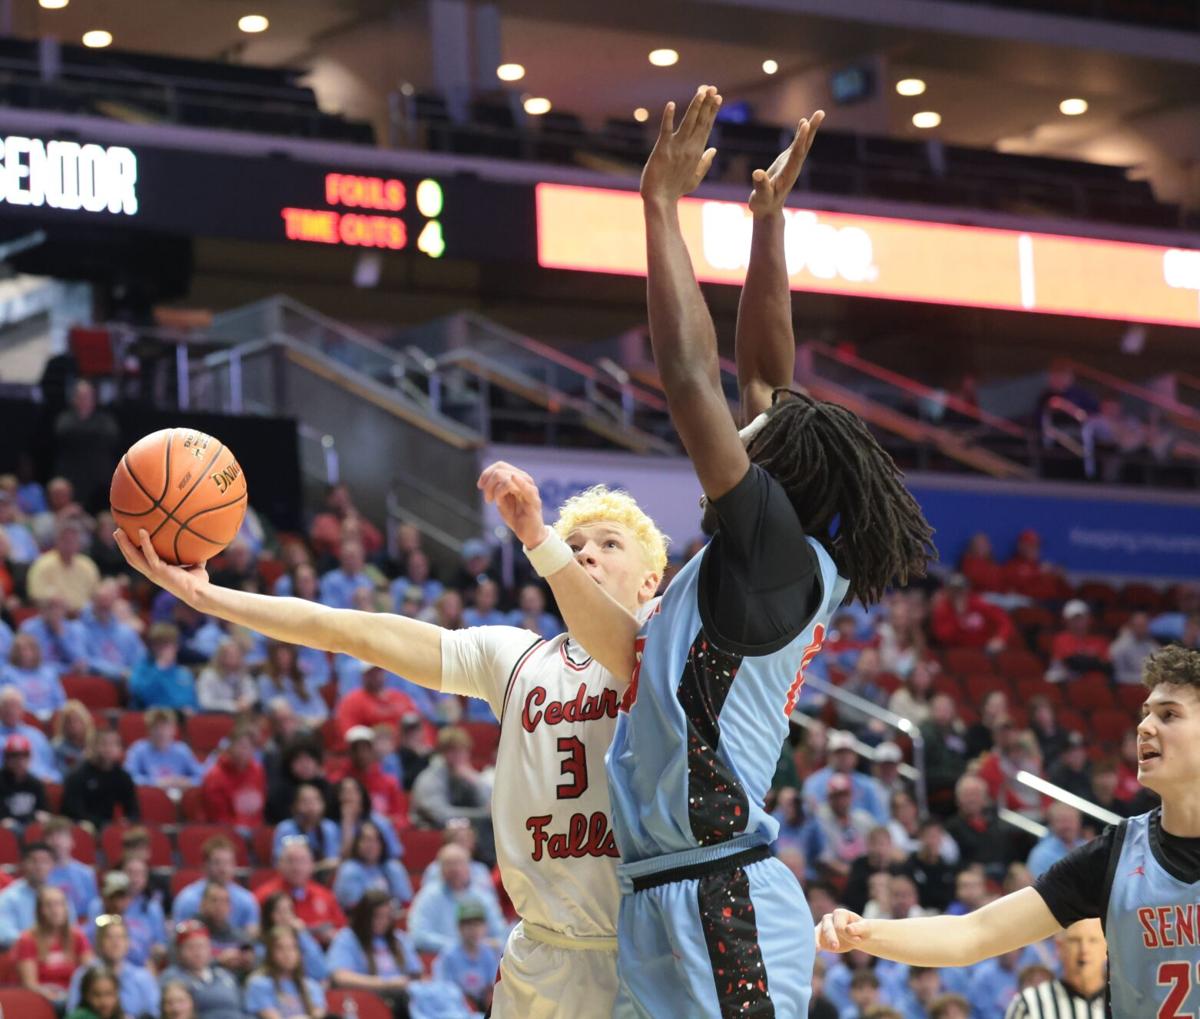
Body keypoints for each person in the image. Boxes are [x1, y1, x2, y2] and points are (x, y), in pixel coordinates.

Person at [483, 90, 934, 1018]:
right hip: (667, 889)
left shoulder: (774, 554)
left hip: (719, 890)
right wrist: (767, 226)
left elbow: (691, 379)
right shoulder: (773, 543)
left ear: (777, 474)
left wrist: (659, 208)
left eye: (754, 433)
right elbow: (768, 375)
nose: (742, 421)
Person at [115, 442, 666, 1019]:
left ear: (651, 581)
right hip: (544, 955)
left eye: (608, 544)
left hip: (643, 948)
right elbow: (350, 630)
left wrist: (540, 540)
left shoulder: (672, 649)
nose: (584, 554)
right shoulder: (516, 657)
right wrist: (207, 597)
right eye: (575, 543)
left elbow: (626, 646)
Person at [817, 645, 1200, 1019]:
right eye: (1146, 713)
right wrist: (864, 932)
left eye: (1168, 715)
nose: (1144, 726)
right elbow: (974, 934)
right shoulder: (1114, 856)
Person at [326, 891, 422, 1012]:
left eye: (387, 916)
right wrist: (386, 983)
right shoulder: (347, 938)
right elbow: (340, 977)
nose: (383, 921)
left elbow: (416, 974)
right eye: (377, 916)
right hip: (369, 999)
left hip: (404, 998)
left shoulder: (399, 939)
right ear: (364, 916)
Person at [407, 845, 507, 954]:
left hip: (481, 961)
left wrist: (478, 946)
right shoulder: (428, 896)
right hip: (441, 960)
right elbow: (419, 936)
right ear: (440, 869)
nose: (455, 869)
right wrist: (461, 947)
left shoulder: (483, 897)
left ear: (469, 867)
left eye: (459, 863)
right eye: (449, 864)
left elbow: (501, 936)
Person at [1002, 919, 1106, 1018]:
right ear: (1059, 947)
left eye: (1093, 940)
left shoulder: (1120, 1001)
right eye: (1075, 940)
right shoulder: (1028, 1005)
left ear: (1106, 948)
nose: (1084, 949)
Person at [252, 841, 344, 946]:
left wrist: (333, 936)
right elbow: (254, 932)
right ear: (279, 864)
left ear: (312, 865)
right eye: (290, 861)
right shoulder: (263, 896)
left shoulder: (326, 896)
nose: (296, 867)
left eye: (302, 861)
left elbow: (342, 930)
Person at [67, 915, 160, 1019]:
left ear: (128, 943)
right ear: (99, 942)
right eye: (109, 937)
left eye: (120, 937)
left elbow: (154, 1013)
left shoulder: (143, 977)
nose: (115, 943)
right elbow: (72, 1012)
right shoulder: (83, 975)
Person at [13, 885, 91, 1006]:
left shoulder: (77, 936)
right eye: (49, 905)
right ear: (39, 911)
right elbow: (30, 984)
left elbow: (90, 973)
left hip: (74, 995)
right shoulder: (27, 939)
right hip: (43, 998)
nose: (55, 910)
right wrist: (52, 996)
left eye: (60, 904)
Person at [53, 381, 121, 513]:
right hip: (72, 476)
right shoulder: (65, 418)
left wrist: (81, 434)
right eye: (81, 397)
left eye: (88, 397)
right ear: (74, 399)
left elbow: (111, 436)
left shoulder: (105, 420)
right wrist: (92, 435)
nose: (84, 400)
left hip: (99, 479)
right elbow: (63, 432)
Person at [172, 838, 260, 933]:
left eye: (228, 863)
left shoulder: (246, 900)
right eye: (217, 863)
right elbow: (179, 937)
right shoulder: (187, 899)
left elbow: (252, 939)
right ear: (205, 866)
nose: (223, 869)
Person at [434, 899, 502, 1014]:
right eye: (468, 925)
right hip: (456, 1008)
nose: (474, 930)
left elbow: (493, 989)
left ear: (485, 927)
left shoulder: (489, 953)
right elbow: (445, 992)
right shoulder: (448, 956)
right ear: (459, 928)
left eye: (478, 924)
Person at [62, 729, 139, 830]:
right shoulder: (78, 775)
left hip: (108, 825)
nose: (108, 749)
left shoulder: (123, 776)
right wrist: (103, 824)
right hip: (81, 824)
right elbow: (74, 812)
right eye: (103, 744)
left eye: (113, 744)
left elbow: (133, 809)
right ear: (92, 747)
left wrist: (128, 820)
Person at [244, 926, 327, 1019]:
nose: (287, 953)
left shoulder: (312, 986)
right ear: (270, 953)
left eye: (292, 948)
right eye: (280, 948)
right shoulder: (258, 984)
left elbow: (318, 1014)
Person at [332, 818, 413, 910]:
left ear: (382, 844)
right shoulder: (349, 870)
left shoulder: (391, 868)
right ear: (357, 844)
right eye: (366, 840)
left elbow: (406, 904)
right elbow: (354, 909)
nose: (371, 845)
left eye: (376, 840)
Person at [200, 723, 266, 830]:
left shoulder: (258, 771)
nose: (244, 750)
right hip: (225, 831)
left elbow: (258, 811)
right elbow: (219, 818)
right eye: (240, 745)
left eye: (250, 746)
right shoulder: (215, 776)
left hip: (255, 830)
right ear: (230, 747)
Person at [27, 521, 100, 614]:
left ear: (79, 543)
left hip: (85, 616)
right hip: (56, 616)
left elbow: (96, 594)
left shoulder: (87, 565)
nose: (69, 545)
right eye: (65, 540)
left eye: (73, 540)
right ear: (57, 541)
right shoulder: (42, 564)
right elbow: (36, 597)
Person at [79, 580, 145, 682]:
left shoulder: (126, 632)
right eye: (100, 600)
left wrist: (134, 673)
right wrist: (119, 672)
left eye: (108, 600)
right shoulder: (80, 630)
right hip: (98, 681)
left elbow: (141, 659)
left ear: (114, 602)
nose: (104, 605)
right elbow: (83, 661)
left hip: (128, 684)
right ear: (92, 602)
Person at [256, 893, 327, 983]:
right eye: (279, 911)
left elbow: (320, 972)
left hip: (301, 986)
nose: (285, 916)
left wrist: (302, 935)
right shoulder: (261, 945)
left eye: (288, 911)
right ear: (269, 915)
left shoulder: (301, 938)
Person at [126, 709, 203, 790]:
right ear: (148, 730)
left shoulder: (182, 750)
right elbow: (128, 778)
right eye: (156, 728)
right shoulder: (138, 749)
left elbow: (201, 777)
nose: (162, 733)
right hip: (151, 796)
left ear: (174, 730)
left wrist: (187, 782)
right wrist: (156, 782)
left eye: (165, 728)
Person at [255, 644, 328, 729]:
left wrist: (312, 722)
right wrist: (298, 720)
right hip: (286, 731)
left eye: (287, 655)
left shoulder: (304, 680)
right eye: (280, 656)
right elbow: (271, 711)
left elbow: (322, 712)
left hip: (311, 728)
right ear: (273, 658)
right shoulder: (266, 681)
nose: (284, 659)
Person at [129, 626, 198, 711]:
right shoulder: (141, 670)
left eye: (171, 644)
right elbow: (142, 696)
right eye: (162, 645)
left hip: (182, 717)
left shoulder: (184, 672)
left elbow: (193, 702)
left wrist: (191, 709)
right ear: (153, 647)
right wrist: (160, 668)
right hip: (154, 716)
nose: (168, 649)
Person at [1, 632, 67, 718]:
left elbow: (60, 701)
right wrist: (35, 715)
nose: (25, 654)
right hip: (23, 718)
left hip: (52, 718)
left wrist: (52, 714)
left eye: (29, 649)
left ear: (36, 651)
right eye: (20, 650)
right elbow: (8, 703)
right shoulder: (8, 674)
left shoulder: (49, 673)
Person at [0, 687, 60, 781]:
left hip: (40, 786)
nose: (11, 710)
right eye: (6, 706)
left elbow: (53, 768)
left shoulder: (37, 736)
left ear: (22, 710)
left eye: (15, 706)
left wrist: (52, 780)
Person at [45, 817, 98, 917]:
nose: (57, 842)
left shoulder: (86, 873)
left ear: (72, 841)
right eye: (51, 836)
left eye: (62, 836)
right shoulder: (41, 874)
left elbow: (93, 910)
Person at [197, 640, 257, 715]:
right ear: (221, 657)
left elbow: (252, 694)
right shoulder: (208, 675)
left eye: (237, 655)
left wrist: (246, 700)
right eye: (230, 655)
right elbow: (205, 703)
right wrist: (233, 705)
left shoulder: (243, 674)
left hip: (238, 714)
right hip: (215, 717)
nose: (235, 658)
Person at [52, 701, 96, 777]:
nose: (73, 725)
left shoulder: (95, 746)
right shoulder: (57, 747)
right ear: (63, 725)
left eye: (76, 721)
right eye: (69, 721)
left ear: (85, 722)